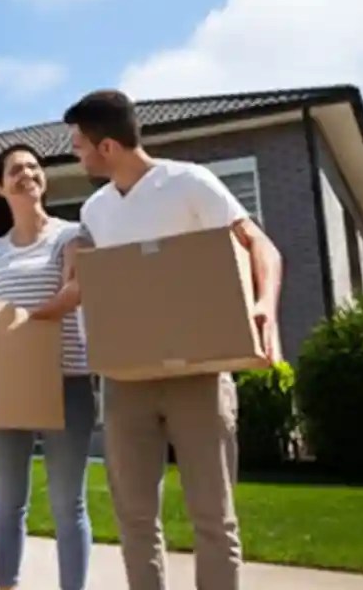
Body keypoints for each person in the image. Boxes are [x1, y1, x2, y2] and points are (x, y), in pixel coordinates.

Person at [62, 89, 283, 590]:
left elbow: (259, 245)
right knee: (136, 520)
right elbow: (98, 287)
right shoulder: (96, 211)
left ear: (107, 147)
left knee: (213, 517)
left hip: (199, 374)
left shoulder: (190, 183)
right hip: (125, 381)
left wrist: (264, 305)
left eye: (78, 145)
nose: (74, 154)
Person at [0, 143, 96, 590]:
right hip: (8, 387)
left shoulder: (69, 235)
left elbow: (77, 288)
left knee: (67, 503)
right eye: (16, 169)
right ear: (0, 187)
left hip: (66, 380)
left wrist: (23, 324)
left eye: (34, 167)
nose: (28, 174)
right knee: (8, 502)